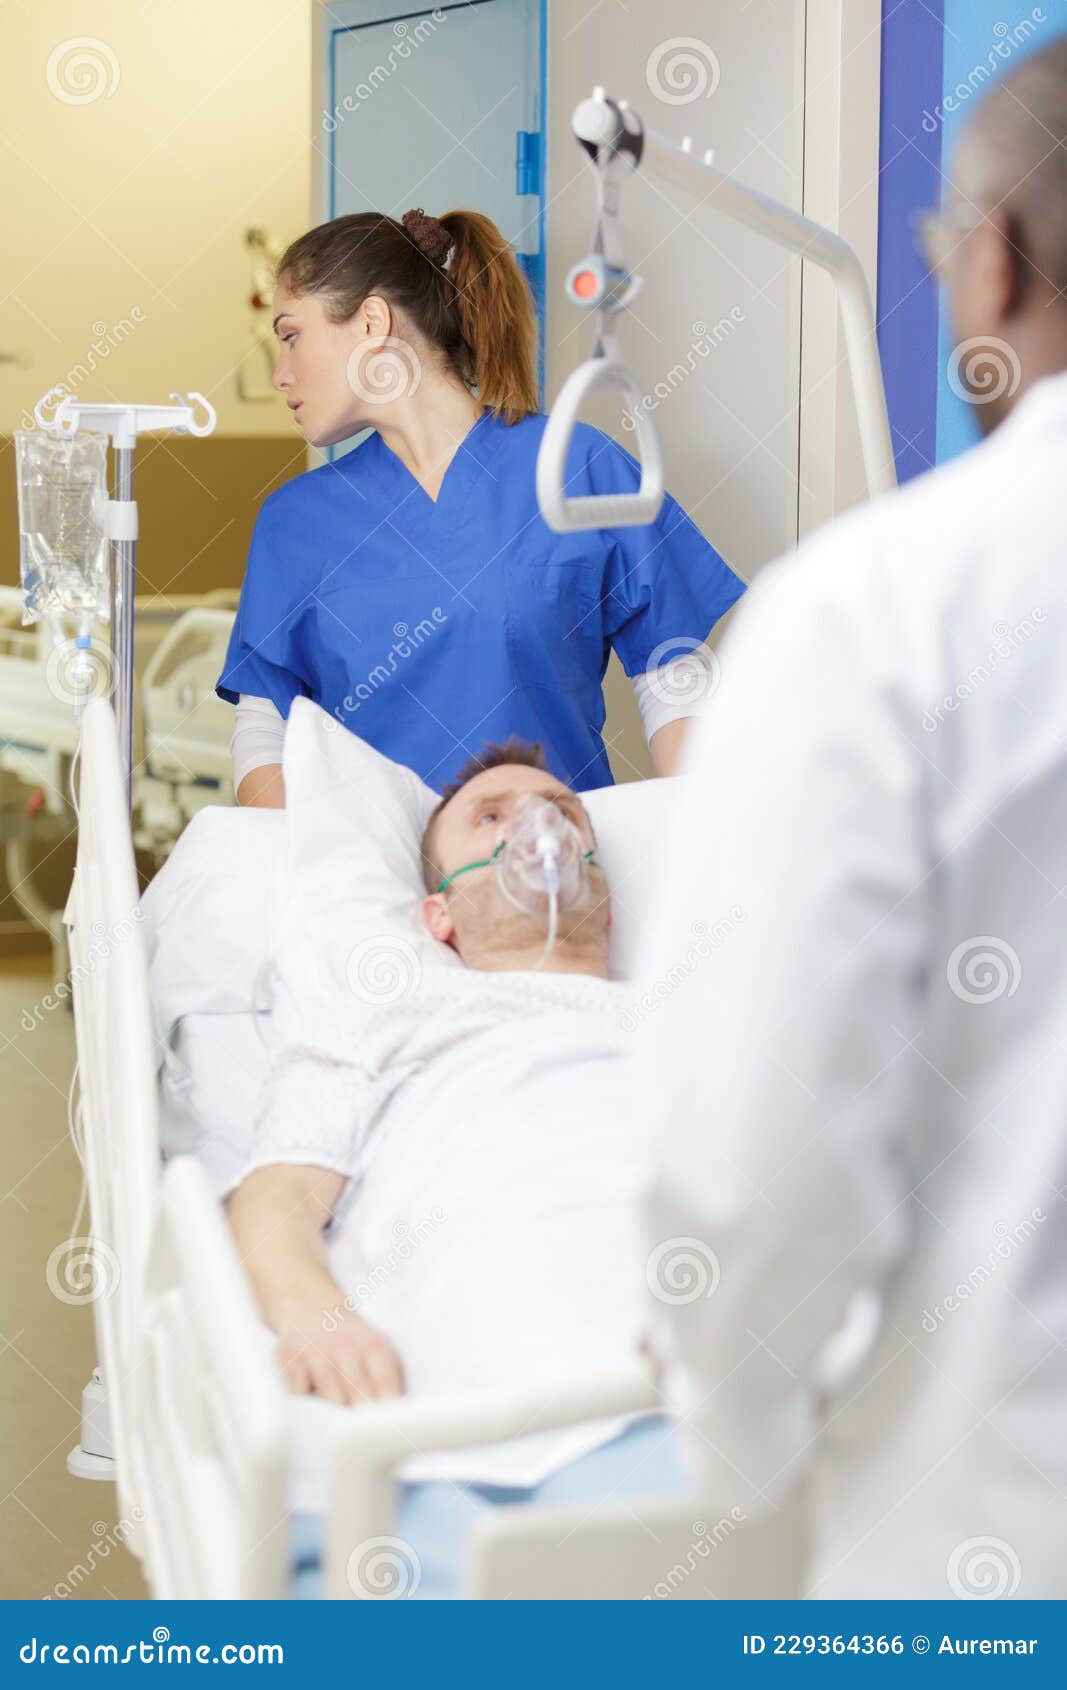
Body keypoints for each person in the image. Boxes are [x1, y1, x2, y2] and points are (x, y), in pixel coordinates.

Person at [637, 37, 1067, 1600]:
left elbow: (752, 1166)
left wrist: (738, 1441)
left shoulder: (875, 617)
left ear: (990, 261)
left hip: (990, 1537)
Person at [224, 741, 683, 1599]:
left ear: (609, 903)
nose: (536, 827)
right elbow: (277, 1196)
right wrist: (312, 1313)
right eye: (491, 817)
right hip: (503, 1328)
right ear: (437, 916)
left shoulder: (686, 1021)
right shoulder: (388, 1019)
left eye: (562, 812)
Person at [217, 208, 744, 806]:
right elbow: (262, 733)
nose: (280, 375)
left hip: (555, 854)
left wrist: (688, 842)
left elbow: (675, 679)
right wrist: (334, 857)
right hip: (381, 861)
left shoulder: (576, 468)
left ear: (370, 322)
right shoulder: (296, 522)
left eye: (291, 337)